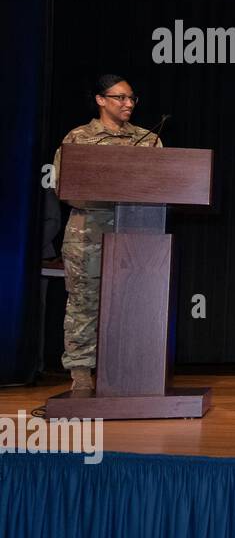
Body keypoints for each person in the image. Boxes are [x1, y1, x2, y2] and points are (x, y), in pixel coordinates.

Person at [54, 74, 161, 394]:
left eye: (132, 98)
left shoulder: (149, 140)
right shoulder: (79, 138)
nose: (128, 104)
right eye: (120, 98)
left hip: (137, 234)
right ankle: (82, 373)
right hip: (88, 233)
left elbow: (164, 183)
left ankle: (131, 369)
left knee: (135, 304)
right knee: (85, 304)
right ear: (100, 100)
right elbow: (65, 187)